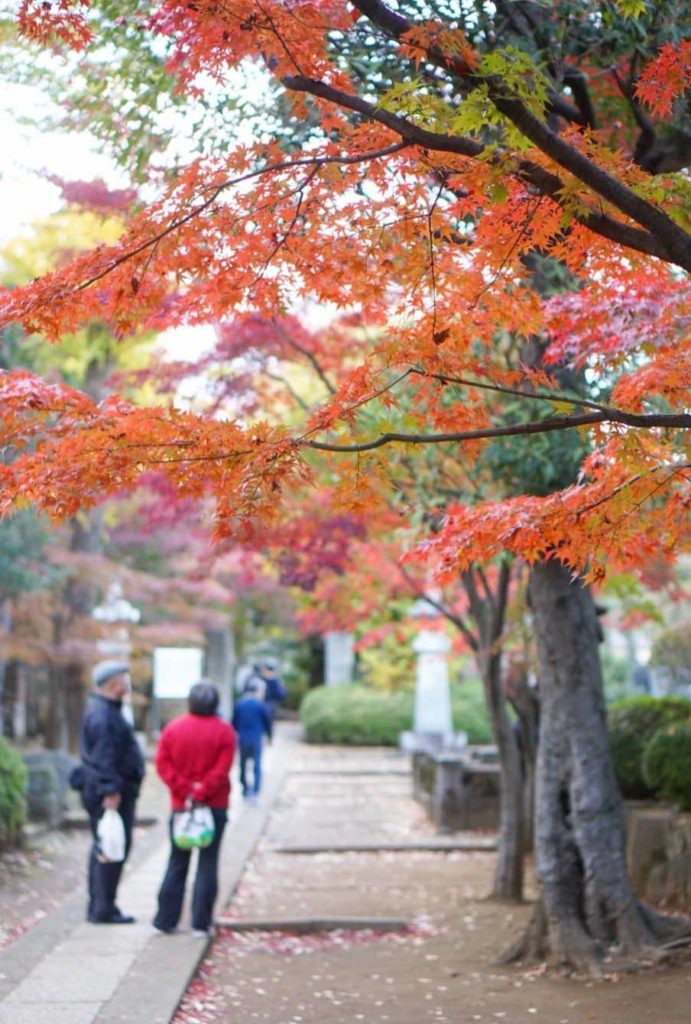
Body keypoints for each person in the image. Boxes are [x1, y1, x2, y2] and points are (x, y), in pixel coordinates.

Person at [153, 681, 236, 936]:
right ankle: (200, 922)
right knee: (208, 862)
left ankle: (166, 919)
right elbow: (222, 770)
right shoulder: (224, 732)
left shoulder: (173, 729)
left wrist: (185, 790)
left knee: (177, 861)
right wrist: (202, 792)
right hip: (214, 806)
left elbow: (162, 764)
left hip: (182, 807)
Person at [78, 660, 145, 924]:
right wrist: (110, 790)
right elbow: (103, 756)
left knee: (106, 845)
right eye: (123, 679)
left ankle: (101, 904)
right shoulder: (103, 715)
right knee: (111, 846)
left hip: (112, 789)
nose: (127, 684)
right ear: (113, 683)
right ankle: (103, 907)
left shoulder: (106, 710)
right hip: (108, 793)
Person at [231, 679, 272, 805]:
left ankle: (244, 790)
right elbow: (267, 722)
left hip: (242, 738)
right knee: (256, 766)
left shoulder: (239, 703)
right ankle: (254, 792)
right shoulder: (260, 705)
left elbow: (234, 722)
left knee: (243, 765)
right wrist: (269, 737)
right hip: (256, 739)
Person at [255, 658, 287, 722]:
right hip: (259, 705)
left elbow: (281, 695)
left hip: (270, 706)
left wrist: (271, 681)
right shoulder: (259, 680)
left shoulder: (275, 681)